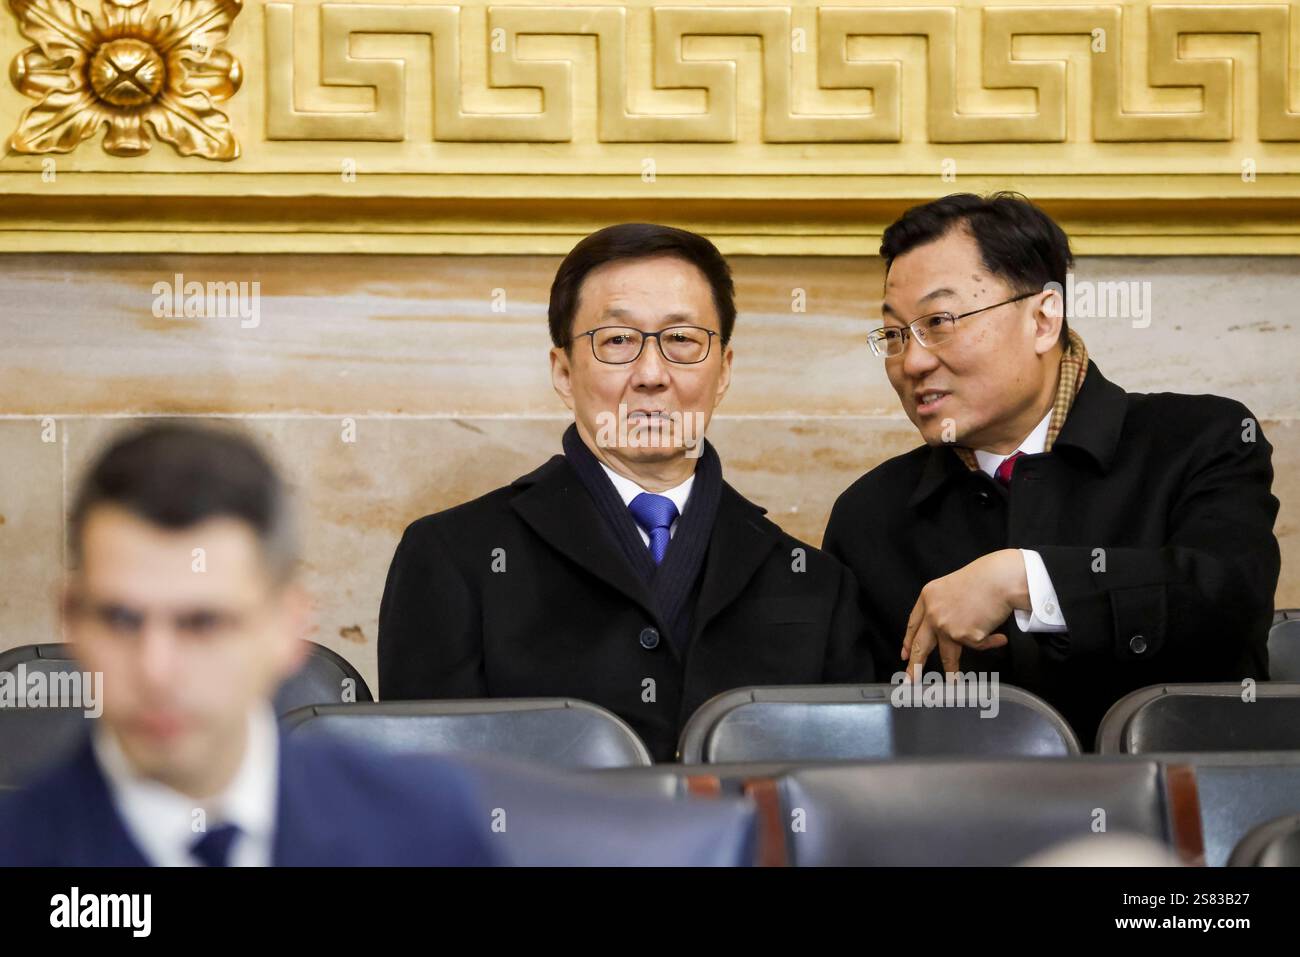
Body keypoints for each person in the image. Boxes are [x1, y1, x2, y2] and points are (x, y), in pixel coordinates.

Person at [380, 223, 875, 761]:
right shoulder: (454, 558)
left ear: (724, 369)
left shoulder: (814, 584)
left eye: (682, 339)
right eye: (618, 340)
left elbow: (840, 805)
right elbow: (424, 799)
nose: (651, 373)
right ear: (564, 371)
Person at [823, 192, 1279, 747]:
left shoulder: (1201, 440)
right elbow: (852, 734)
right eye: (896, 334)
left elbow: (1227, 600)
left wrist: (1027, 580)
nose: (912, 362)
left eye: (939, 322)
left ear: (1043, 319)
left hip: (1181, 818)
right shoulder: (870, 515)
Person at [0, 424, 498, 866]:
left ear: (287, 626)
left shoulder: (425, 832)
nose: (157, 670)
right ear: (71, 619)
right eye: (122, 619)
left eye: (203, 622)